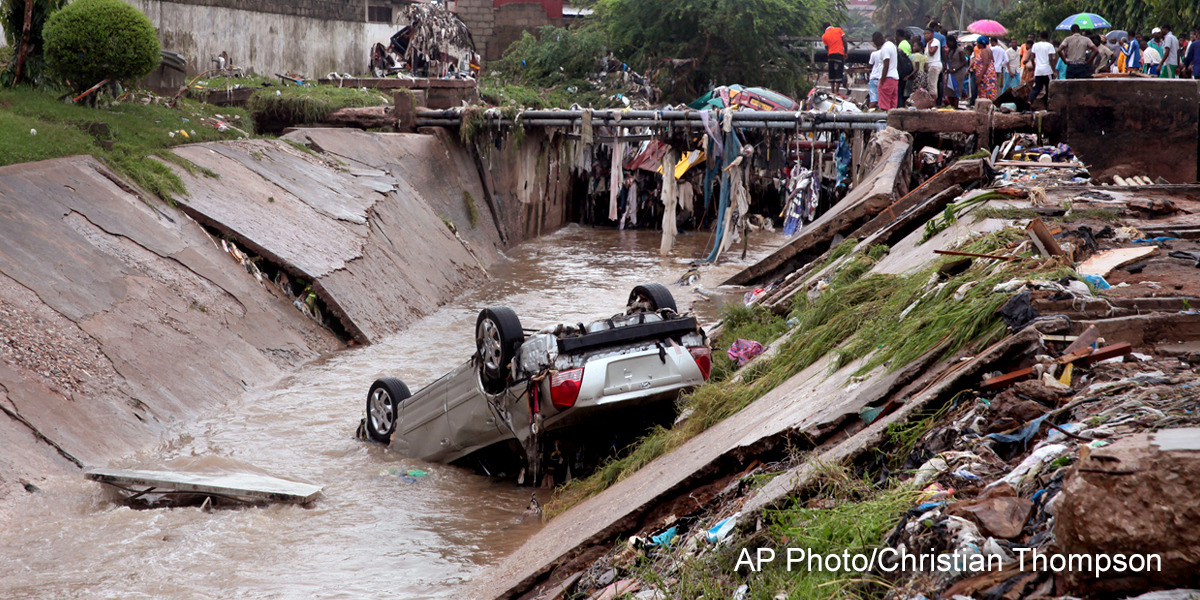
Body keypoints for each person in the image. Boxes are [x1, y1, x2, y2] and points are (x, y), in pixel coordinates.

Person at [1029, 30, 1056, 110]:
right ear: (1047, 37)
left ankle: (1030, 101)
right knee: (1049, 89)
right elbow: (1051, 59)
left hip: (1038, 70)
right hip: (1047, 70)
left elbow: (1032, 57)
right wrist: (1054, 70)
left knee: (1037, 87)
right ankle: (1048, 106)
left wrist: (1035, 67)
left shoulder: (1035, 45)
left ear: (1040, 37)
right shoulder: (1049, 45)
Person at [874, 31, 900, 110]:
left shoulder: (885, 48)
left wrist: (882, 81)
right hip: (894, 78)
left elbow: (886, 65)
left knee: (884, 104)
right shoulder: (891, 45)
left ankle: (884, 121)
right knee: (893, 104)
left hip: (887, 78)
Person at [822, 22, 847, 96]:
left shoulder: (824, 36)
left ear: (824, 28)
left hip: (831, 55)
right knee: (839, 71)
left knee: (831, 72)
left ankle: (832, 90)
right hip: (839, 54)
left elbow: (826, 47)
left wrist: (831, 49)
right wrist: (845, 52)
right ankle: (837, 91)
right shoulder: (838, 30)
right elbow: (844, 41)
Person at [945, 35, 969, 108]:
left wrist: (955, 69)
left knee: (956, 91)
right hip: (950, 73)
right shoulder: (949, 51)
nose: (949, 43)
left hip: (958, 73)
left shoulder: (959, 50)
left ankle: (955, 107)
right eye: (947, 42)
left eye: (950, 42)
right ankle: (951, 106)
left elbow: (964, 62)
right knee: (949, 91)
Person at [971, 37, 997, 102]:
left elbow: (985, 64)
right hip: (989, 75)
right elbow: (992, 60)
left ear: (981, 44)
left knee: (986, 94)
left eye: (978, 43)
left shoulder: (984, 51)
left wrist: (980, 77)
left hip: (986, 77)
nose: (977, 45)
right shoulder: (988, 50)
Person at [924, 27, 943, 101]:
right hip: (930, 65)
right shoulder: (928, 43)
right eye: (925, 34)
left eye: (928, 33)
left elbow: (932, 52)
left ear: (932, 34)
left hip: (934, 65)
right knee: (930, 84)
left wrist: (929, 45)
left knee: (932, 85)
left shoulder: (935, 41)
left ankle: (933, 101)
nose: (926, 35)